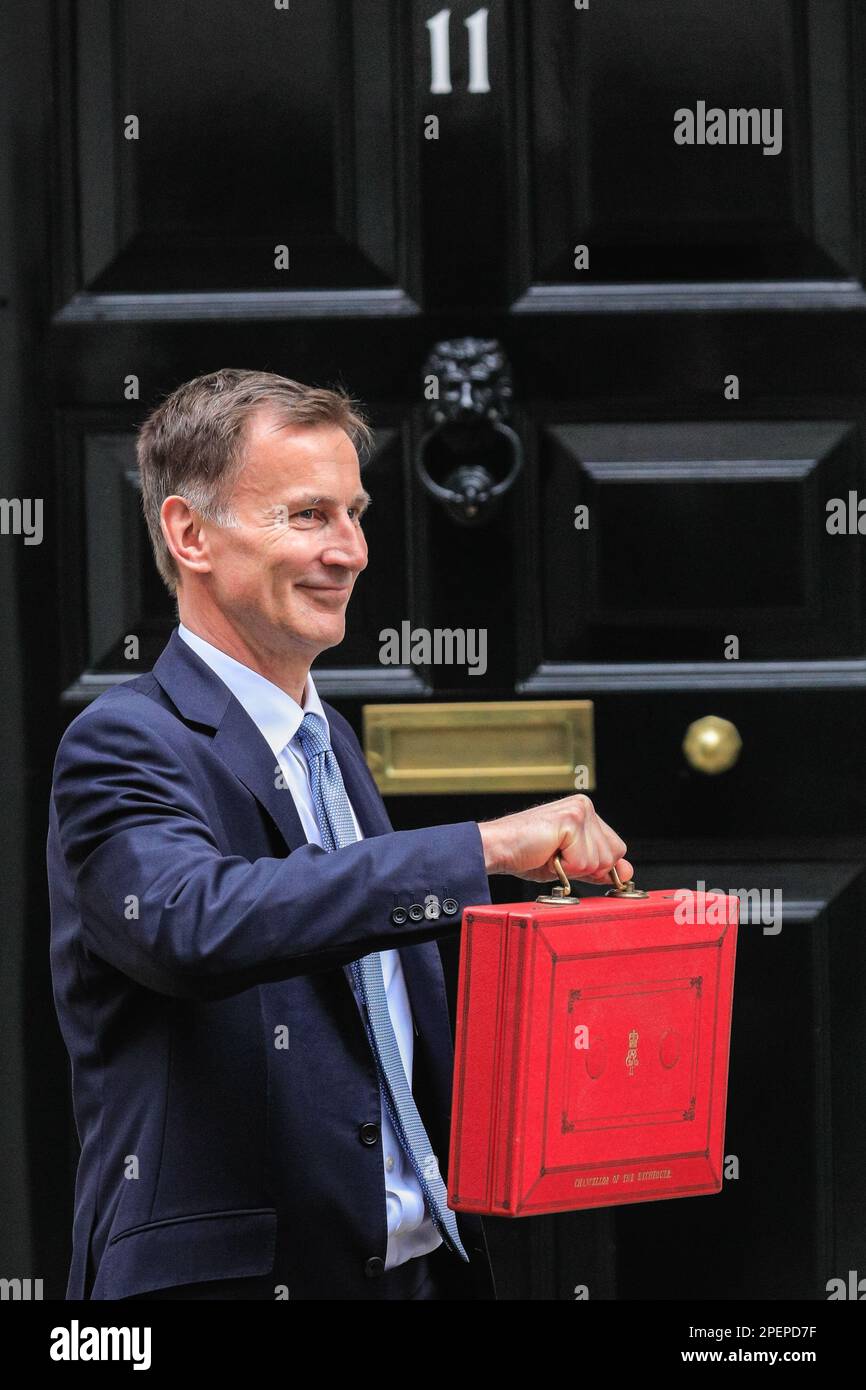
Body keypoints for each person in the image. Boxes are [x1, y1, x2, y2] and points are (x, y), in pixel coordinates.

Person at [47, 369, 632, 1300]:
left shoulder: (329, 746)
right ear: (188, 534)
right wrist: (479, 848)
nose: (353, 551)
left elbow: (365, 970)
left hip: (411, 1269)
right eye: (308, 516)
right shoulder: (125, 739)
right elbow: (192, 925)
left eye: (355, 514)